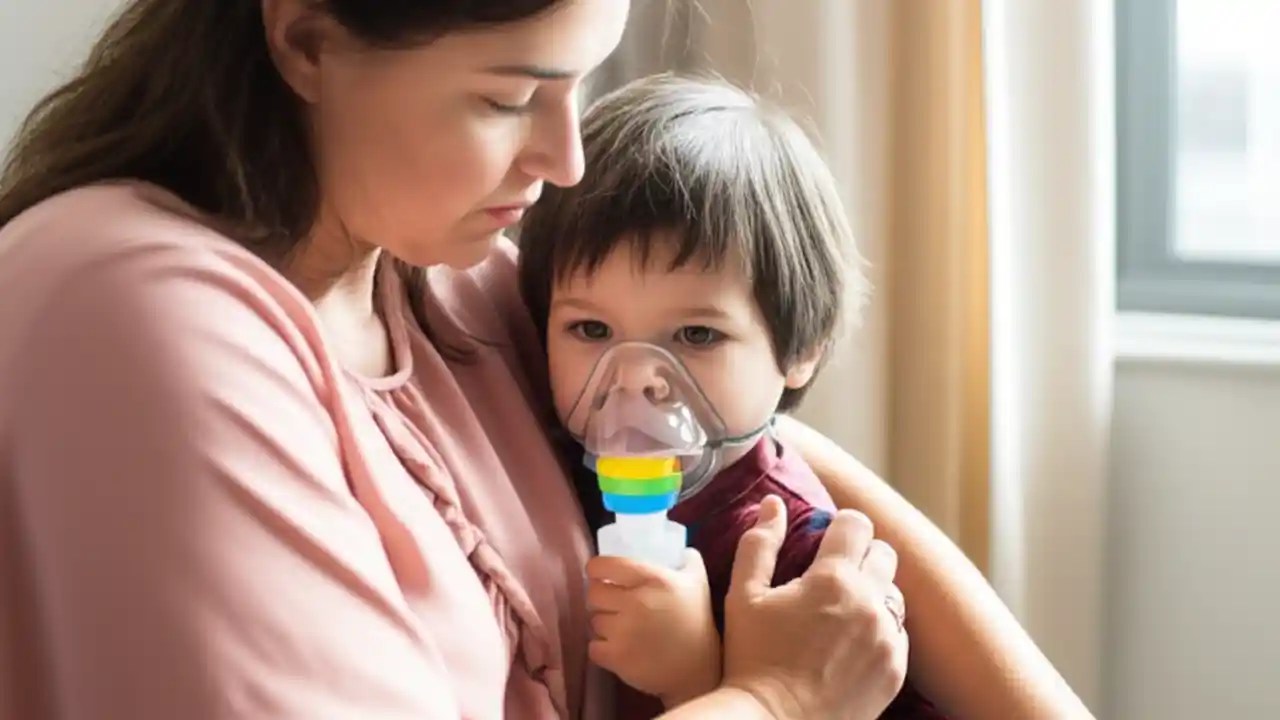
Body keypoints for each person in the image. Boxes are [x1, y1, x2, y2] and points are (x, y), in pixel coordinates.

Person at [0, 1, 1093, 719]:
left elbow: (745, 437)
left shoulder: (448, 279)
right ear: (306, 39)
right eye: (508, 96)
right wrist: (780, 699)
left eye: (578, 85)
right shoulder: (136, 308)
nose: (564, 157)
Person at [517, 74, 949, 719]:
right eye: (592, 329)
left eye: (696, 334)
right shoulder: (532, 460)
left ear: (802, 350)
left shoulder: (799, 564)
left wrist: (695, 678)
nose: (635, 378)